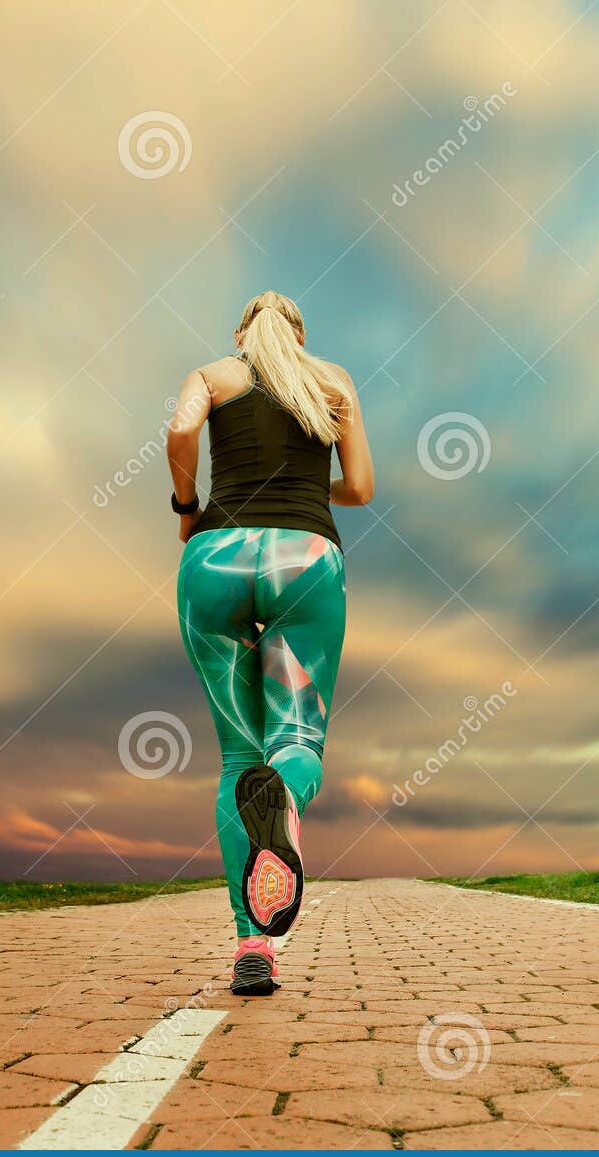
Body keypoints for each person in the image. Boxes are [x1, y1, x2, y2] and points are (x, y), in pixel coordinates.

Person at [166, 291, 374, 996]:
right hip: (304, 560)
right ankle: (282, 798)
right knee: (295, 746)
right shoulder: (333, 381)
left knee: (236, 756)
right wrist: (310, 485)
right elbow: (364, 488)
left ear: (240, 333)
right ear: (300, 332)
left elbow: (180, 432)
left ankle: (252, 946)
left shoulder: (213, 374)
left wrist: (187, 508)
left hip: (214, 559)